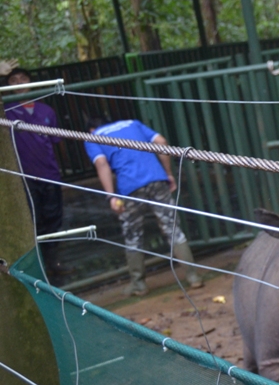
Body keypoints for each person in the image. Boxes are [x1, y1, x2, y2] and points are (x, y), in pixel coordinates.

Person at [85, 117, 203, 295]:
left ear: (92, 129)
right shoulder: (132, 124)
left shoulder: (93, 137)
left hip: (129, 187)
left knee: (133, 235)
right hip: (156, 179)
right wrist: (168, 174)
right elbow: (161, 142)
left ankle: (139, 284)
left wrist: (111, 196)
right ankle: (193, 277)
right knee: (173, 230)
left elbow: (102, 164)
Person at [4, 67, 68, 277]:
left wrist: (62, 168)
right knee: (34, 220)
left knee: (53, 218)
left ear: (31, 81)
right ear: (8, 86)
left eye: (23, 78)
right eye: (13, 80)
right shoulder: (6, 111)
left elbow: (57, 142)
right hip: (25, 177)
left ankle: (53, 262)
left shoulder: (46, 111)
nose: (19, 82)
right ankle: (36, 267)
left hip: (50, 173)